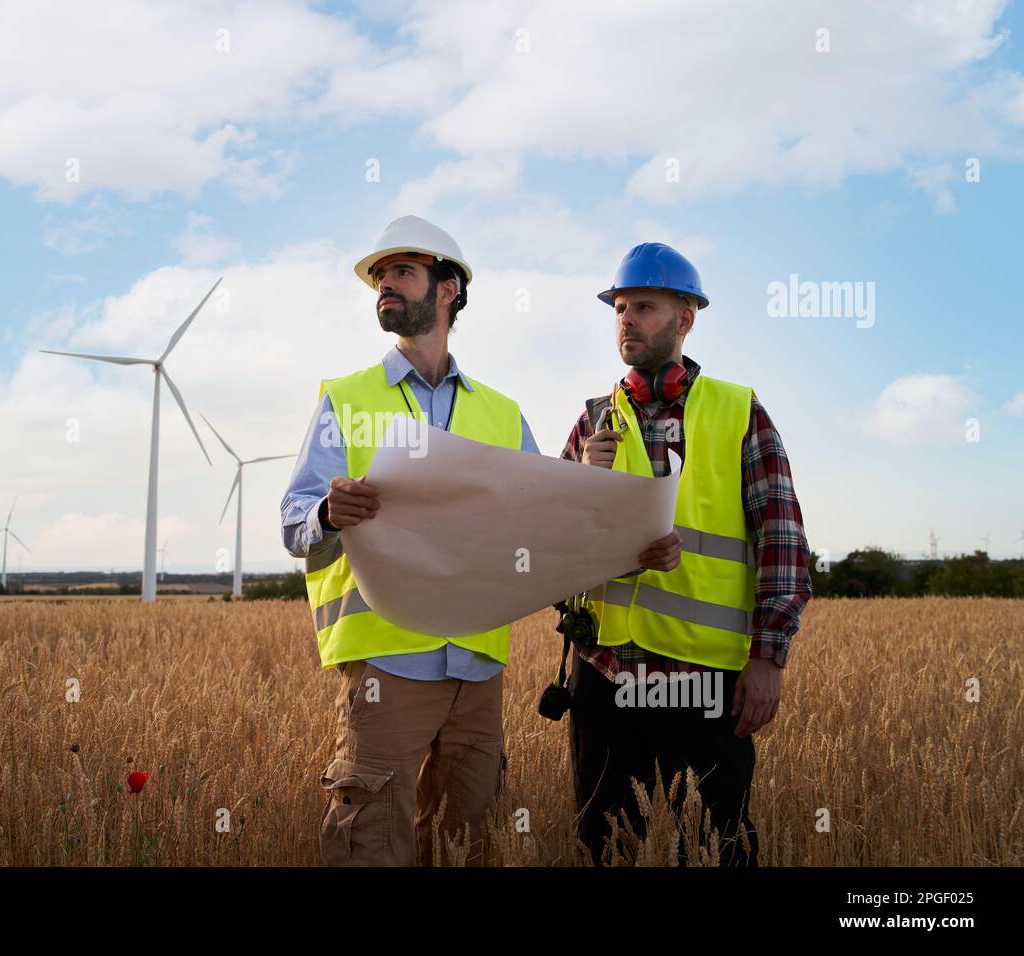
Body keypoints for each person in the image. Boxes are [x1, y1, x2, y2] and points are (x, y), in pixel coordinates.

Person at [280, 215, 683, 866]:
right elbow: (294, 520)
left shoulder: (500, 412)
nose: (384, 284)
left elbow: (547, 528)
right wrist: (328, 512)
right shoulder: (345, 398)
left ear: (448, 290)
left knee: (465, 847)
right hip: (387, 666)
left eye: (401, 271)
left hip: (478, 671)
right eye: (379, 276)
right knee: (369, 843)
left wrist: (628, 543)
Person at [561, 242, 812, 866]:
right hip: (605, 673)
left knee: (716, 844)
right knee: (608, 847)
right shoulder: (592, 423)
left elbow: (780, 539)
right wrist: (582, 488)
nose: (626, 319)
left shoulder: (738, 412)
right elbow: (547, 555)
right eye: (619, 308)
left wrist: (768, 658)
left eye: (643, 306)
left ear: (685, 319)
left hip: (704, 683)